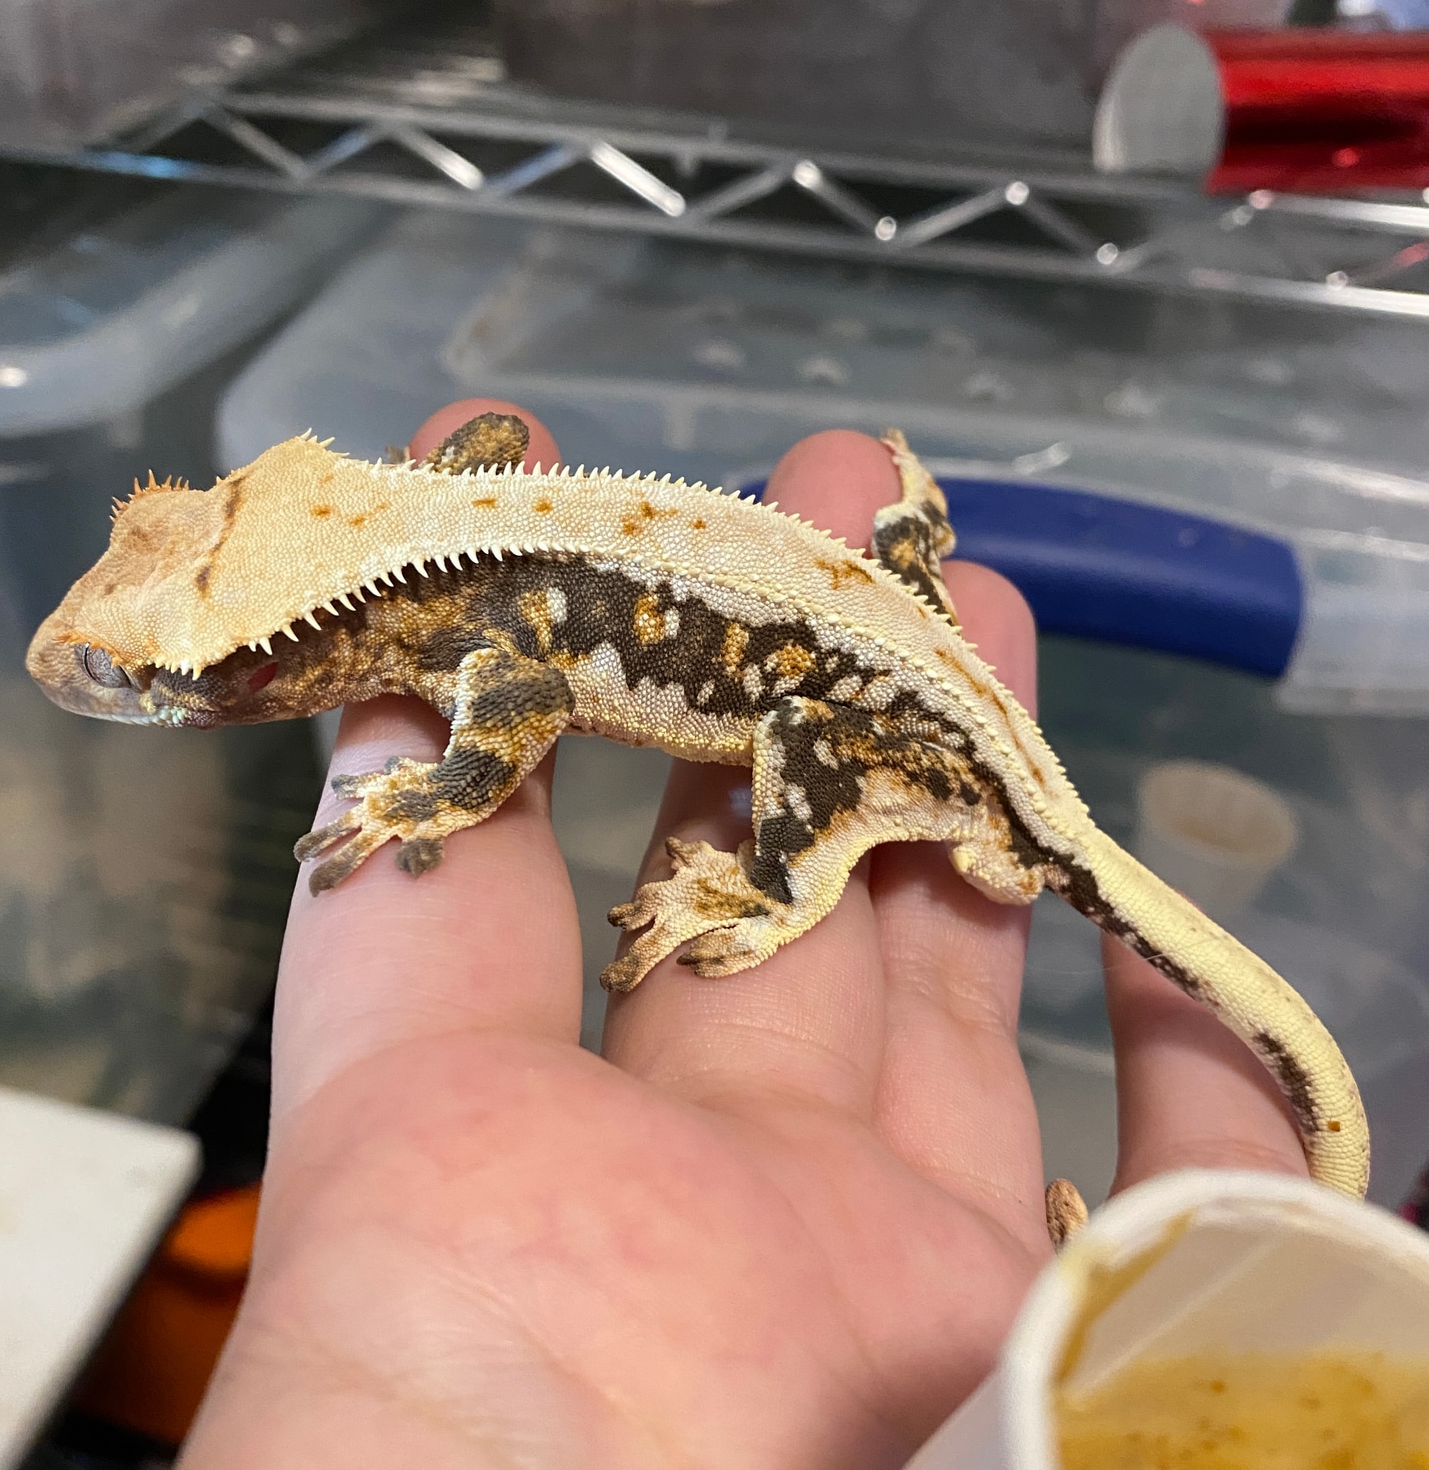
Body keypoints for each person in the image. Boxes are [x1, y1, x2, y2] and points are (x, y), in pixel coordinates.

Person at [181, 399, 1309, 1468]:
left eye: (169, 678)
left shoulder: (458, 620)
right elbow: (484, 439)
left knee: (805, 726)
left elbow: (516, 709)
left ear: (281, 654)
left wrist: (436, 794)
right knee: (820, 702)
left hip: (909, 734)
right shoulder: (441, 546)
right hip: (892, 665)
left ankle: (786, 891)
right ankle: (907, 572)